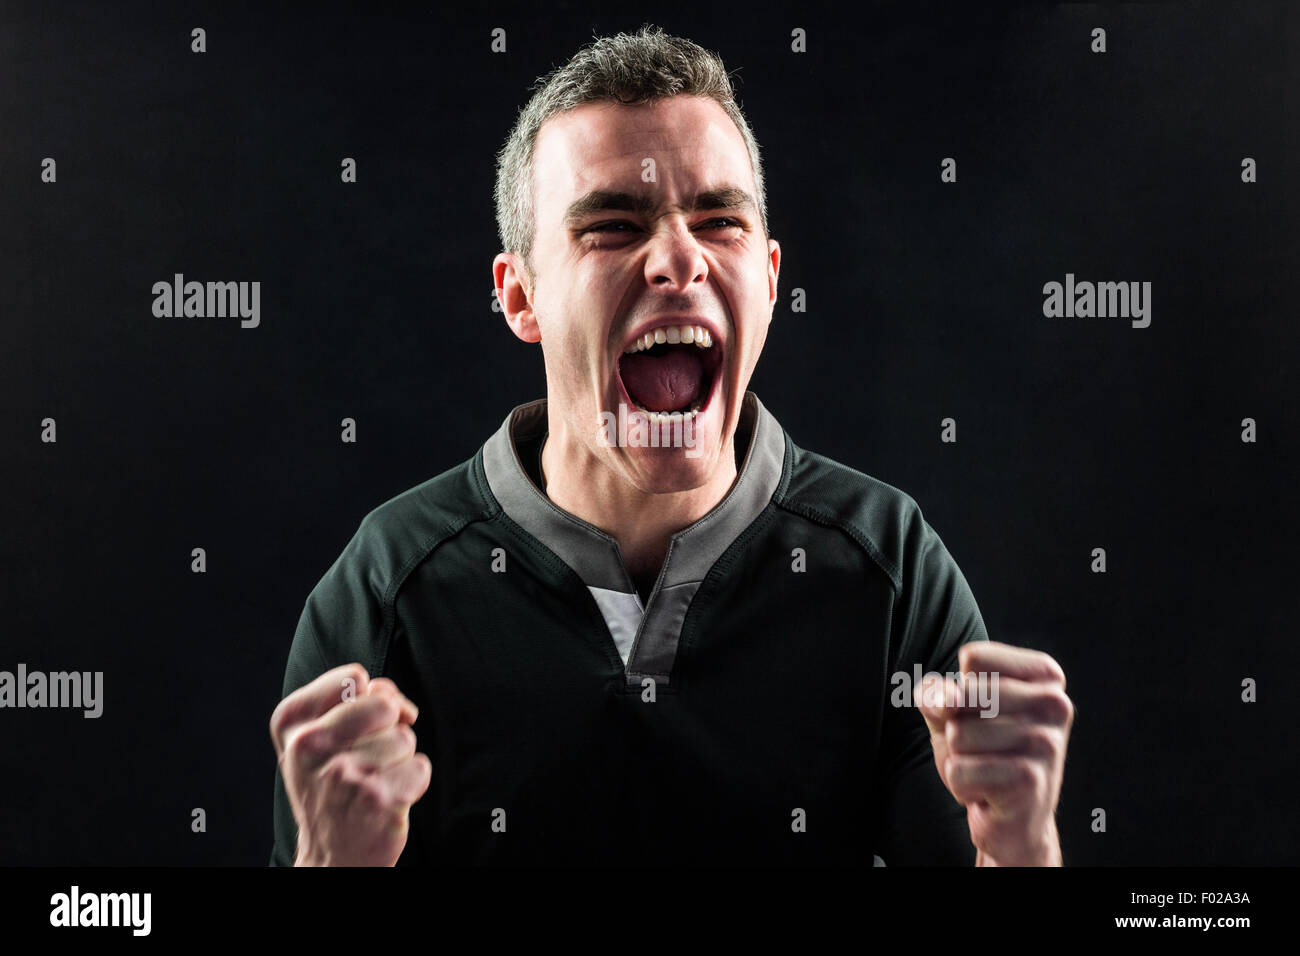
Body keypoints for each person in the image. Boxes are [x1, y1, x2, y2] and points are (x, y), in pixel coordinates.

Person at [269, 24, 1073, 867]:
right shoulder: (386, 591)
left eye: (719, 219)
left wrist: (1022, 845)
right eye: (613, 226)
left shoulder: (891, 569)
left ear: (767, 279)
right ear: (521, 297)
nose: (678, 259)